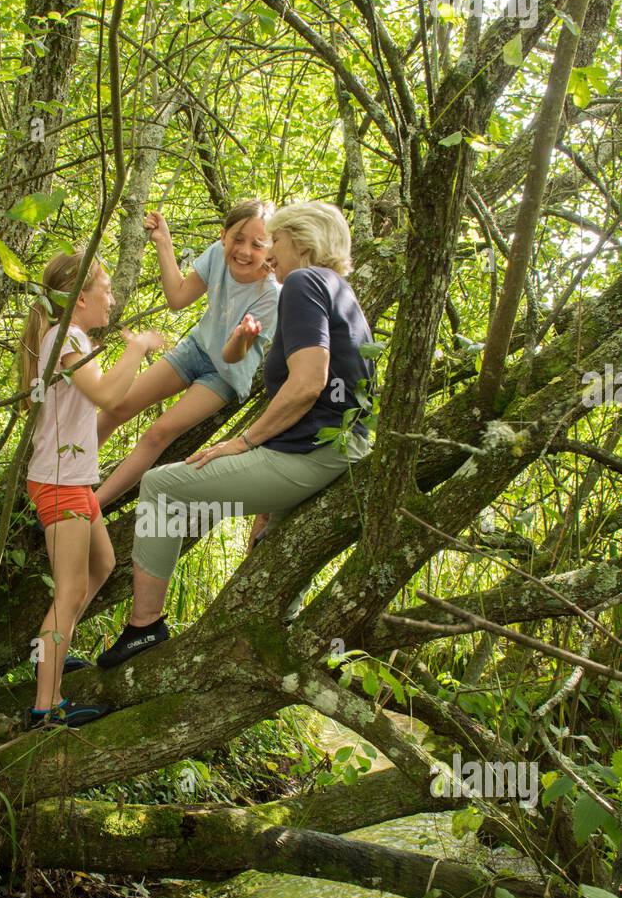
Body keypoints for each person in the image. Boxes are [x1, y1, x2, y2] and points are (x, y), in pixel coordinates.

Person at [96, 201, 374, 669]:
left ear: (302, 243)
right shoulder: (338, 290)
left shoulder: (304, 283)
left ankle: (144, 628)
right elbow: (328, 397)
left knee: (162, 487)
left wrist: (244, 441)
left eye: (276, 243)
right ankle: (273, 652)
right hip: (332, 450)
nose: (270, 257)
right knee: (268, 557)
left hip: (314, 455)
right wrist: (272, 501)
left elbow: (307, 384)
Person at [19, 250, 162, 725]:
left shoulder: (66, 335)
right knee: (69, 591)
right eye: (107, 290)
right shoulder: (66, 336)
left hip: (71, 480)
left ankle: (53, 669)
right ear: (80, 298)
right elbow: (105, 395)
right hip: (59, 484)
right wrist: (138, 349)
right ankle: (45, 706)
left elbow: (100, 397)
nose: (113, 298)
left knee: (101, 565)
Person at [95, 200, 280, 509]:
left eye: (257, 244)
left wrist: (241, 337)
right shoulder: (218, 256)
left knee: (159, 433)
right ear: (223, 236)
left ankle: (91, 505)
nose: (244, 251)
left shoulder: (271, 294)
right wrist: (164, 243)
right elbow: (178, 297)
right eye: (238, 239)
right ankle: (68, 472)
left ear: (271, 249)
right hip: (196, 349)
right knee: (119, 406)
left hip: (224, 373)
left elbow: (233, 357)